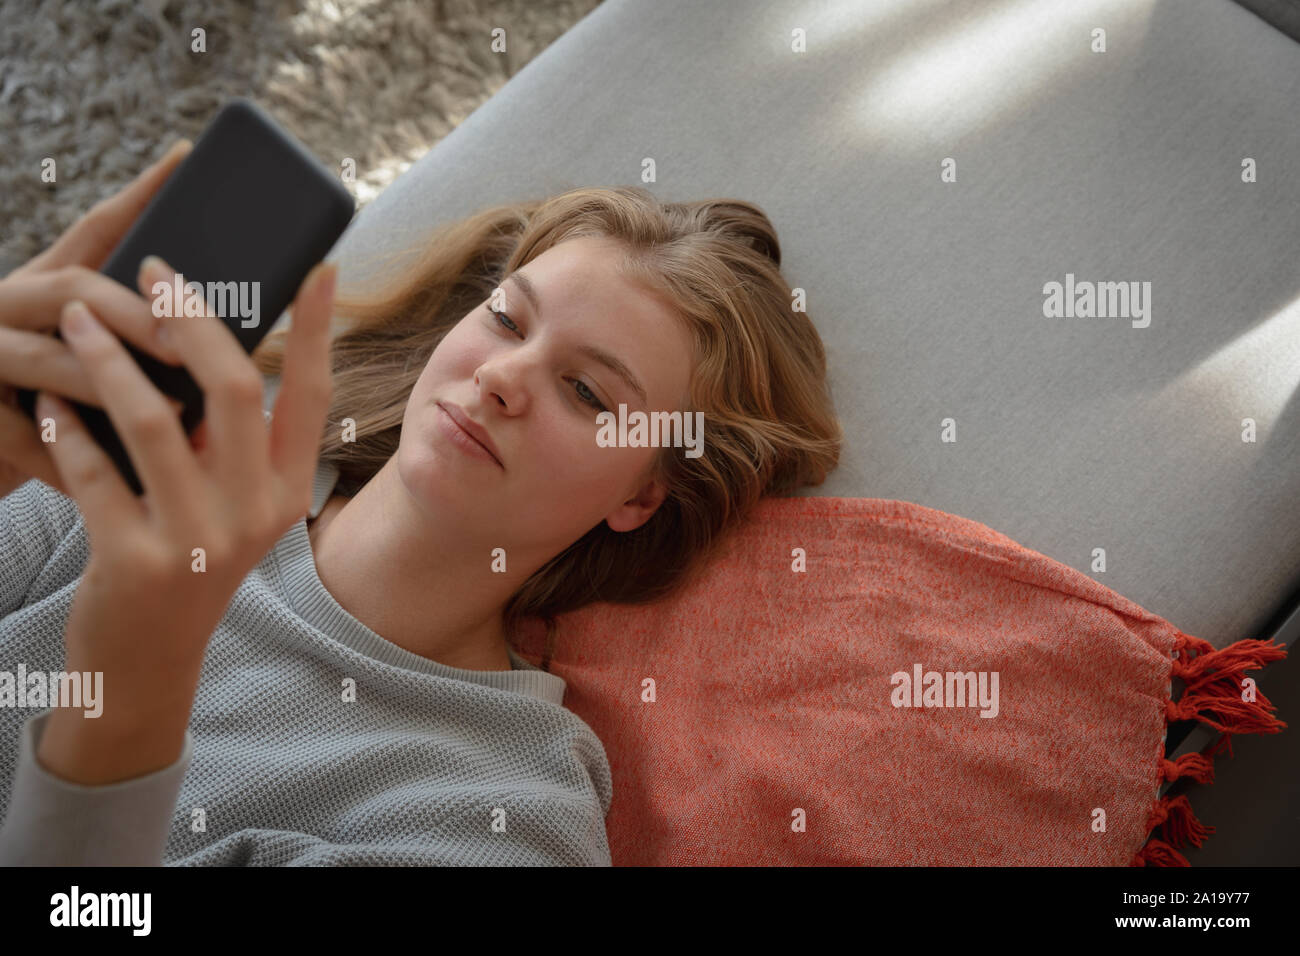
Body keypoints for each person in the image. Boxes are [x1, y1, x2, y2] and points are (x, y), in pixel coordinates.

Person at [0, 140, 843, 865]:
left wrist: (129, 699)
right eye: (508, 321)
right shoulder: (179, 459)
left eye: (586, 392)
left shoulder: (500, 817)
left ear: (641, 496)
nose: (502, 377)